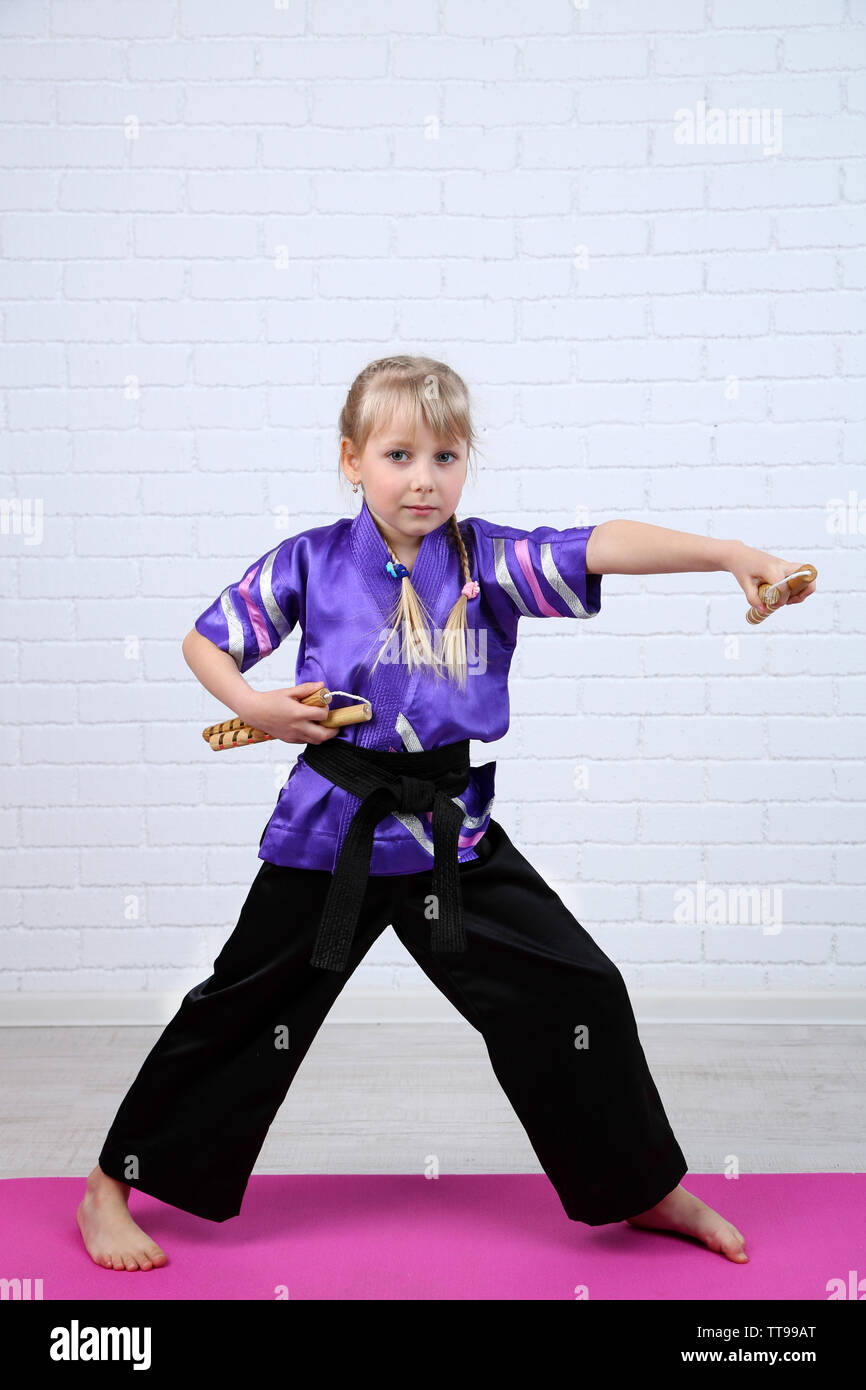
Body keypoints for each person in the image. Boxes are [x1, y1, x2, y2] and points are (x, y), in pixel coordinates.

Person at [77, 355, 815, 1272]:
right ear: (351, 461)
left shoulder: (490, 563)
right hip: (331, 834)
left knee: (579, 989)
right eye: (397, 455)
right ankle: (112, 1183)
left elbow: (597, 544)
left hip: (448, 837)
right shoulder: (310, 559)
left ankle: (644, 1189)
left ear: (466, 464)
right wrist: (259, 706)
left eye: (445, 455)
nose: (423, 477)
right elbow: (207, 639)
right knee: (238, 1008)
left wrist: (730, 555)